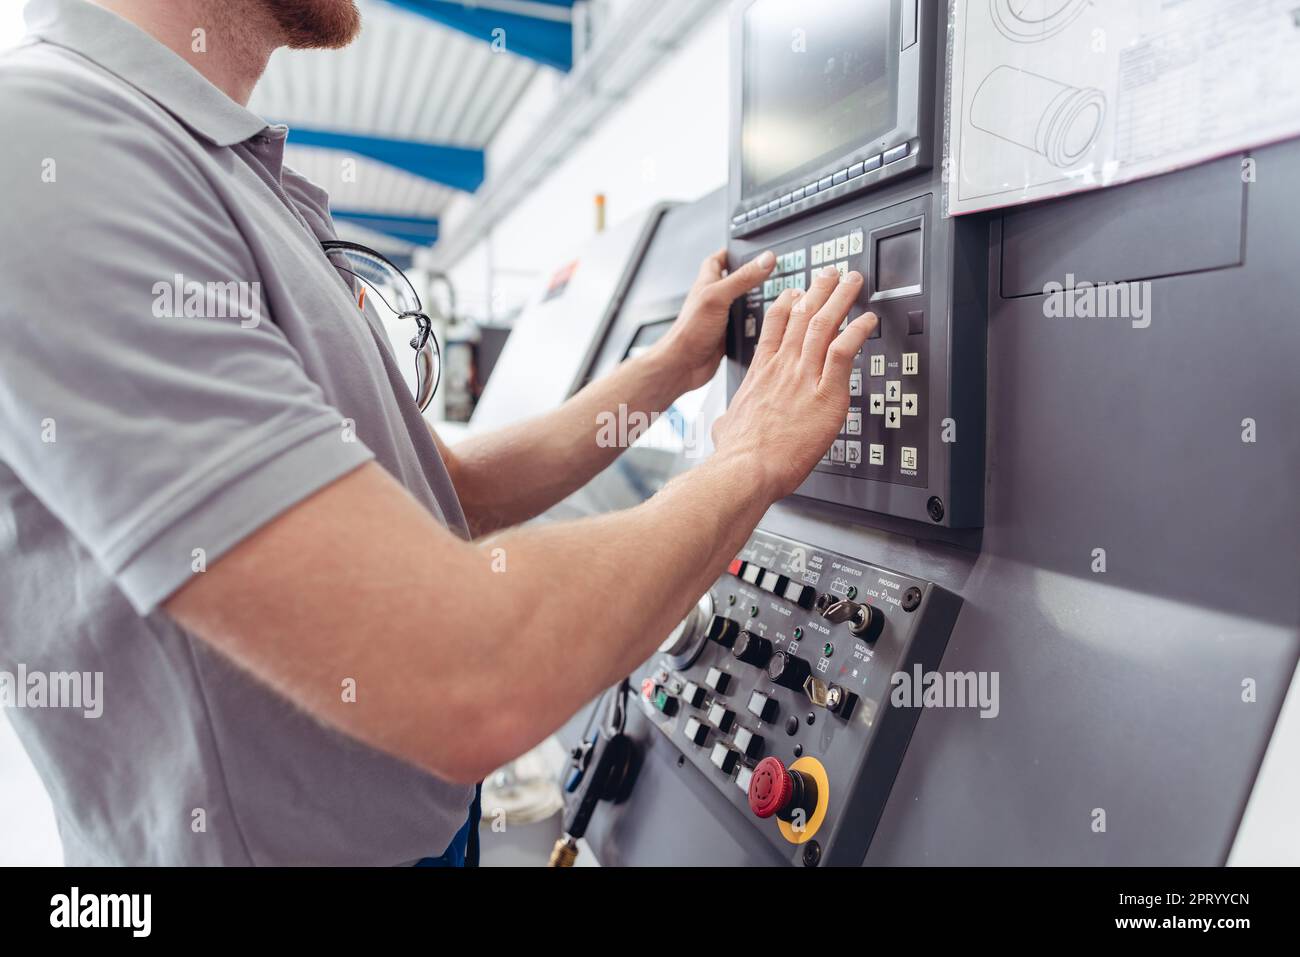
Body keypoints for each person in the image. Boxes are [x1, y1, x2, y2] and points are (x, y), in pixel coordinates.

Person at [0, 0, 876, 865]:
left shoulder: (218, 164)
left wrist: (667, 371)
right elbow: (461, 672)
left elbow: (442, 485)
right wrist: (749, 459)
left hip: (429, 830)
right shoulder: (58, 144)